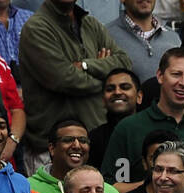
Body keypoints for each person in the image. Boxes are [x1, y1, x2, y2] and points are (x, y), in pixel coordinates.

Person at [100, 48, 184, 193]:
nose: (183, 83)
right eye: (176, 74)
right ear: (160, 76)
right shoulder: (129, 128)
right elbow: (111, 186)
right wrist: (153, 184)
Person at [16, 0, 133, 156]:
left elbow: (124, 63)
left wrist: (87, 65)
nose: (115, 91)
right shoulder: (36, 28)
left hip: (96, 141)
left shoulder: (90, 23)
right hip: (54, 149)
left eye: (114, 88)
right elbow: (66, 79)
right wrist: (106, 78)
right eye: (111, 89)